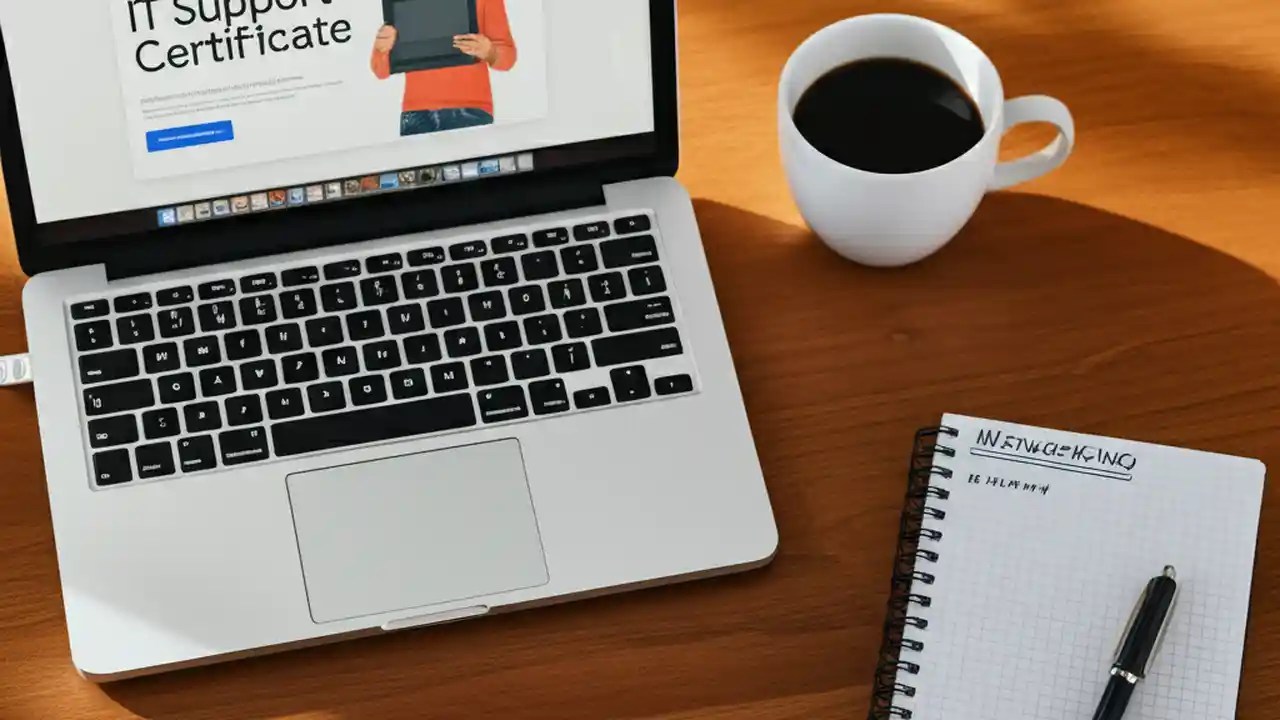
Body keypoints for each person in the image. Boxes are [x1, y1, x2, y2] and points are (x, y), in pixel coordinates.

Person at [371, 0, 518, 137]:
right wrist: (381, 48)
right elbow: (380, 70)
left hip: (471, 109)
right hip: (417, 112)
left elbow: (508, 58)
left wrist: (489, 52)